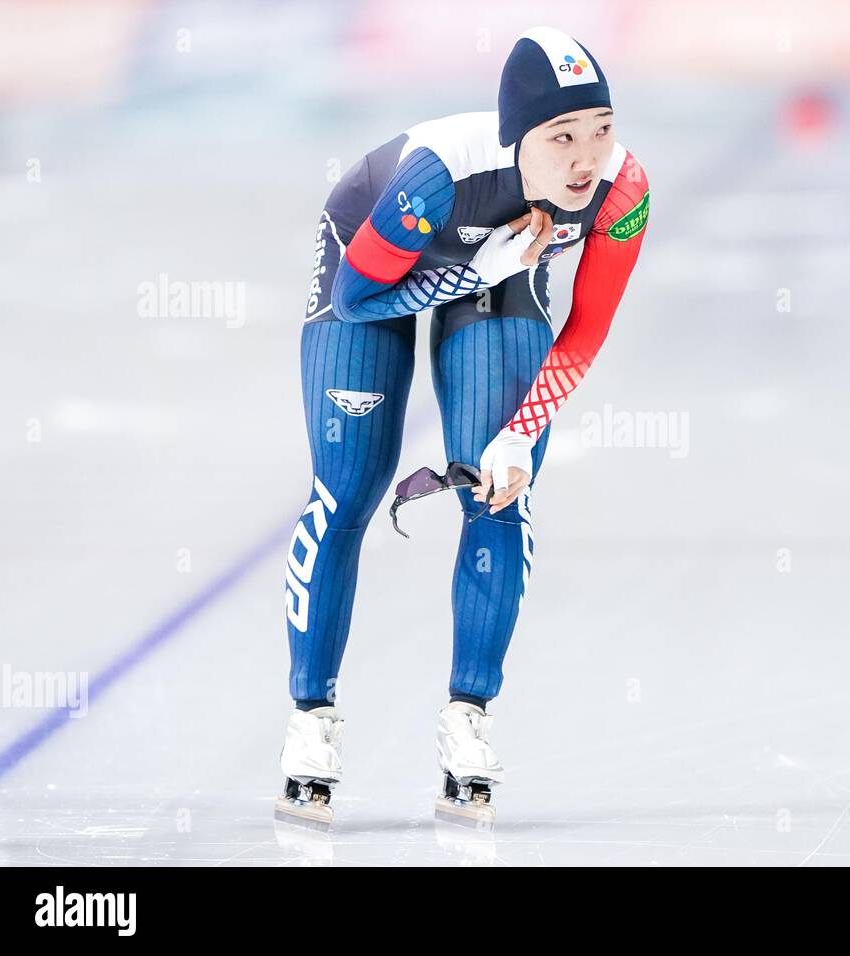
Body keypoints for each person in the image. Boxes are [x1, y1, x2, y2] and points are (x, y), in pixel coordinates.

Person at [274, 26, 650, 829]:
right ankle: (310, 722)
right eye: (562, 137)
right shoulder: (437, 178)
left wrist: (523, 431)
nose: (587, 159)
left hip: (500, 272)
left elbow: (585, 330)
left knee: (498, 488)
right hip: (378, 262)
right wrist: (465, 273)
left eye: (603, 130)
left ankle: (468, 719)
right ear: (520, 138)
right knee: (346, 492)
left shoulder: (624, 193)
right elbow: (356, 301)